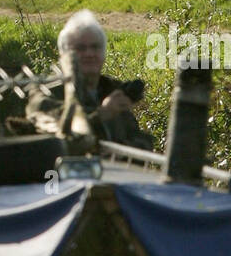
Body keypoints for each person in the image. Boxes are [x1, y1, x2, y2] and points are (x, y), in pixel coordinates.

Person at [27, 10, 153, 151]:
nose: (89, 54)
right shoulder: (45, 90)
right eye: (80, 48)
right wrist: (102, 115)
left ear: (103, 54)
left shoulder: (113, 89)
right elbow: (55, 132)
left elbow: (137, 138)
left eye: (95, 47)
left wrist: (121, 153)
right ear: (64, 55)